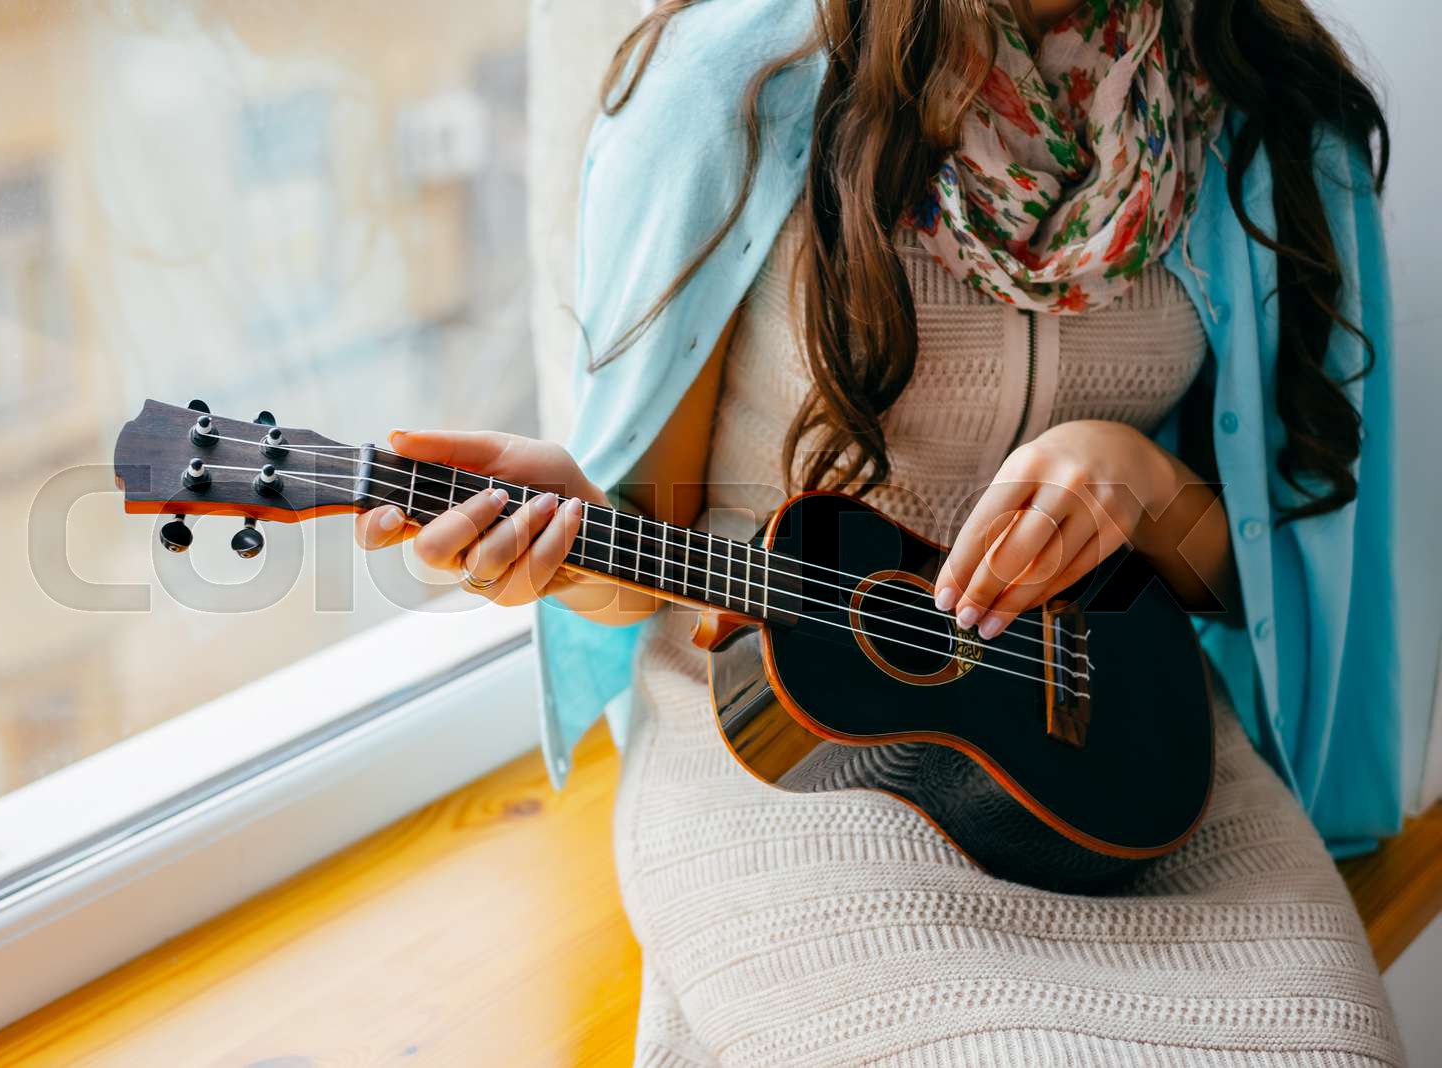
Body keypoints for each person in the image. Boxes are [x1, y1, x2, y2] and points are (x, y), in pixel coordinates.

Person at [358, 0, 1405, 1061]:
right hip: (784, 750)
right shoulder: (740, 80)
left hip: (1129, 753)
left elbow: (1263, 580)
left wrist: (1137, 480)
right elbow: (649, 550)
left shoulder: (1252, 106)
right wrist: (563, 543)